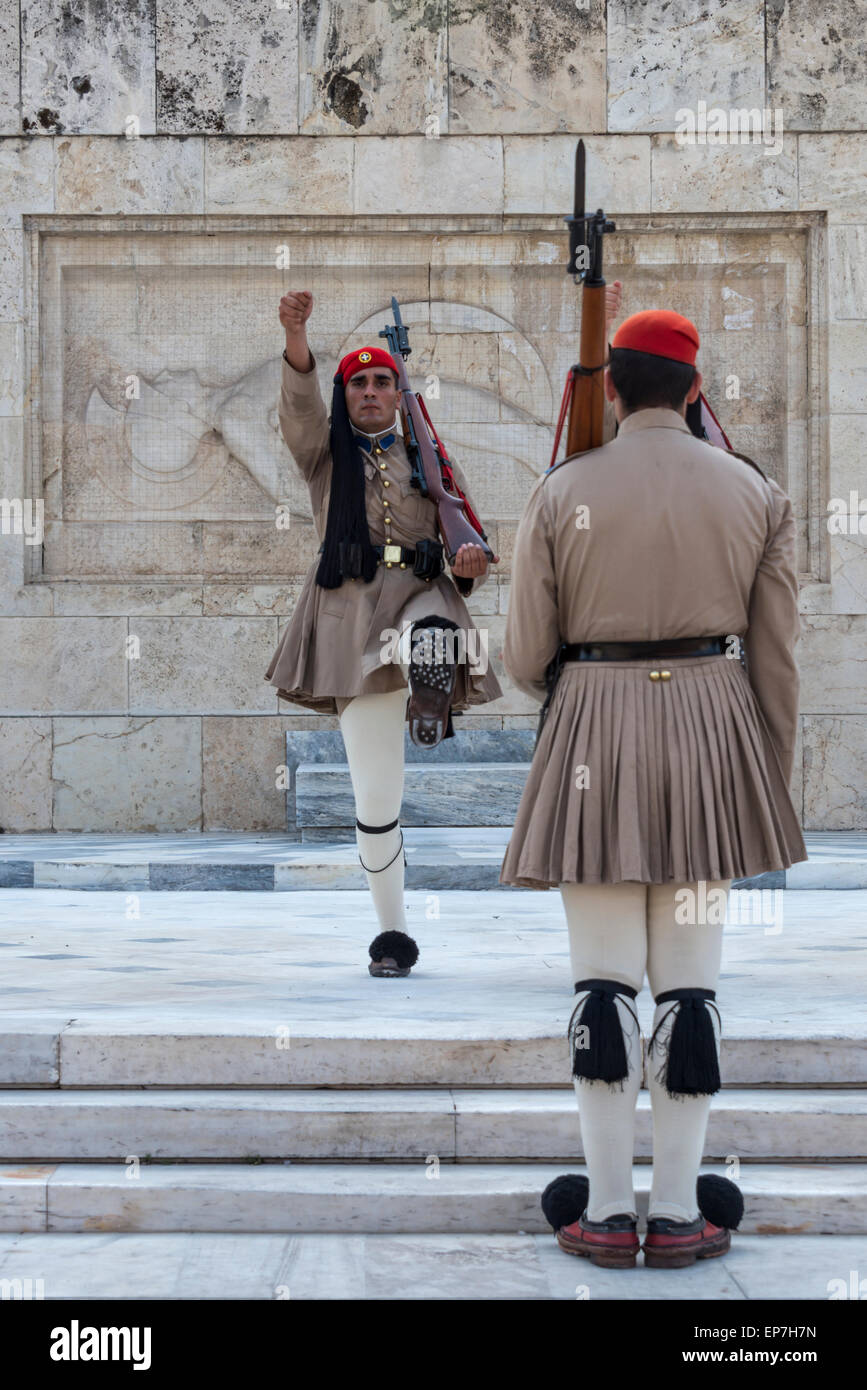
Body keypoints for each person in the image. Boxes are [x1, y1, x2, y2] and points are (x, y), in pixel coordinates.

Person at [499, 306, 808, 1268]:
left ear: (612, 392)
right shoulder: (754, 491)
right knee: (690, 991)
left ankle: (598, 1209)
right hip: (713, 723)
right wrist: (762, 770)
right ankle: (678, 1212)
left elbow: (521, 658)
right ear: (693, 392)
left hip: (595, 717)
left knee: (601, 988)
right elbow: (778, 657)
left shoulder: (560, 491)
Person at [265, 290, 503, 977]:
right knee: (376, 798)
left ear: (399, 394)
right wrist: (297, 334)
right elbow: (300, 410)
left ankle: (429, 686)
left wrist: (468, 560)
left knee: (430, 627)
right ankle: (392, 935)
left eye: (382, 381)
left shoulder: (432, 463)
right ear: (348, 395)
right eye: (359, 383)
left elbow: (473, 549)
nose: (371, 391)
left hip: (424, 599)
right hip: (352, 624)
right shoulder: (326, 456)